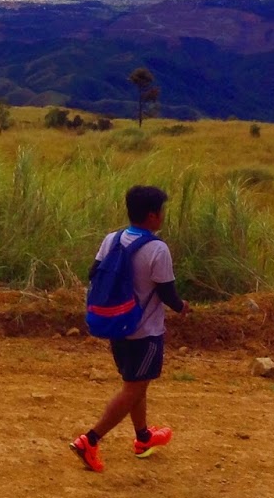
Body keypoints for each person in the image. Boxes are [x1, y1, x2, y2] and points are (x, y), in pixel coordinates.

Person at [71, 184, 187, 472]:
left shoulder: (112, 239)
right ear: (152, 216)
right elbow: (168, 294)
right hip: (145, 333)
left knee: (136, 383)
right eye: (161, 211)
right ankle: (90, 440)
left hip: (117, 325)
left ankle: (143, 437)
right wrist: (183, 307)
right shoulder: (158, 249)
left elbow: (93, 273)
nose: (163, 216)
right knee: (134, 388)